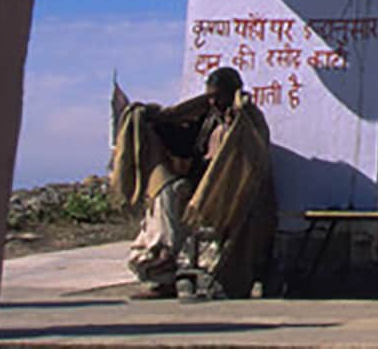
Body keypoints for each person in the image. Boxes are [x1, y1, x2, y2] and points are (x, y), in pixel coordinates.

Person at [110, 67, 277, 298]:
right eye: (210, 97)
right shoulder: (207, 118)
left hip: (230, 191)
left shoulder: (248, 121)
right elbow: (184, 141)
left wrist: (233, 126)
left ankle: (191, 270)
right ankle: (163, 269)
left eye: (218, 96)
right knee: (167, 194)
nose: (214, 102)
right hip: (199, 186)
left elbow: (249, 159)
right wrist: (152, 119)